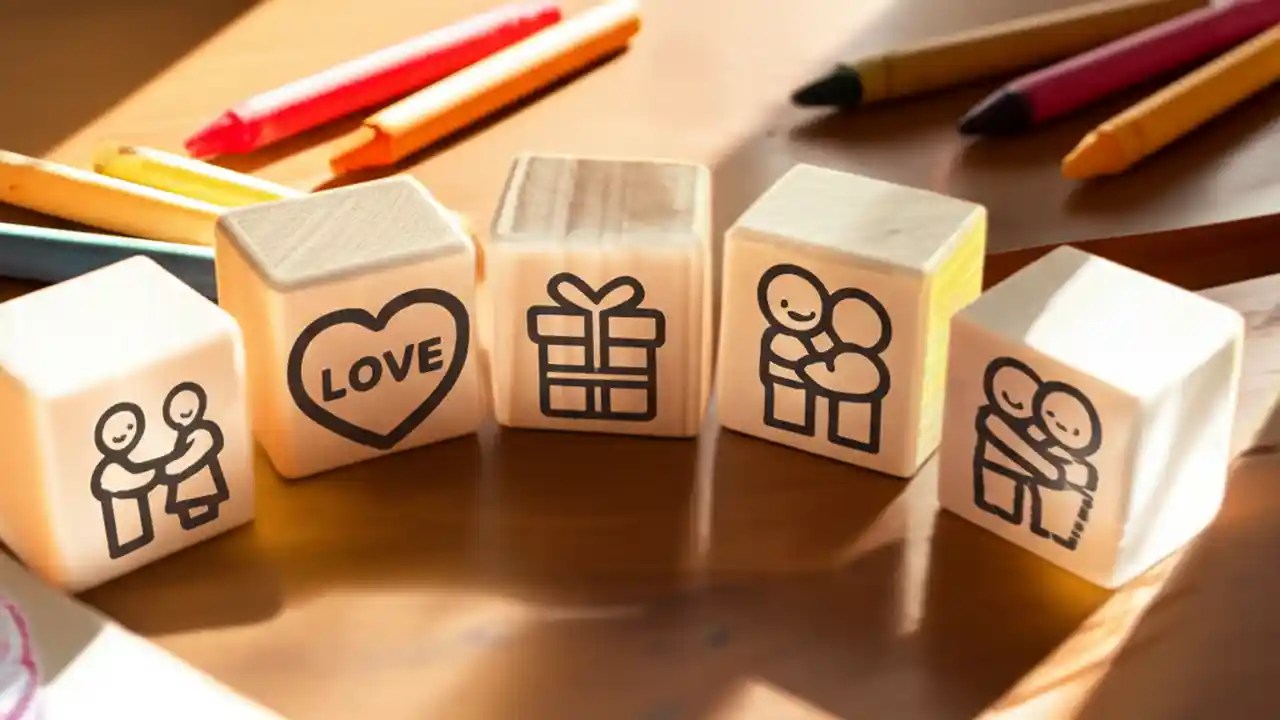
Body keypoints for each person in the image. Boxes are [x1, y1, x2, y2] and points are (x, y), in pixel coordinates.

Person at [972, 358, 1064, 524]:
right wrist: (1053, 470)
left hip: (1021, 473)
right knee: (999, 495)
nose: (1018, 400)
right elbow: (1007, 441)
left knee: (1025, 497)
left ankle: (1029, 521)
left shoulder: (1032, 425)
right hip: (995, 466)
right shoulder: (992, 417)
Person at [1028, 381, 1102, 550]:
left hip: (1071, 502)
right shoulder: (1040, 441)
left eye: (1076, 431)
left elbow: (1085, 482)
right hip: (1044, 492)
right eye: (1050, 415)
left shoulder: (1083, 466)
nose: (1059, 425)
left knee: (1064, 526)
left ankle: (1062, 538)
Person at [90, 402, 159, 559]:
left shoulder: (127, 459)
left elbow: (136, 472)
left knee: (140, 530)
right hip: (119, 508)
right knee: (125, 533)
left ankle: (142, 542)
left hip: (135, 506)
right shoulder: (110, 465)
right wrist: (155, 472)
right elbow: (132, 479)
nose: (123, 434)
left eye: (130, 427)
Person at [158, 382, 230, 530]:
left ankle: (212, 521)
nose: (184, 412)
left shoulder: (203, 431)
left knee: (210, 503)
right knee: (186, 511)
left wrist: (167, 471)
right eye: (177, 409)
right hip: (184, 486)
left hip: (204, 479)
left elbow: (192, 455)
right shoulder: (180, 437)